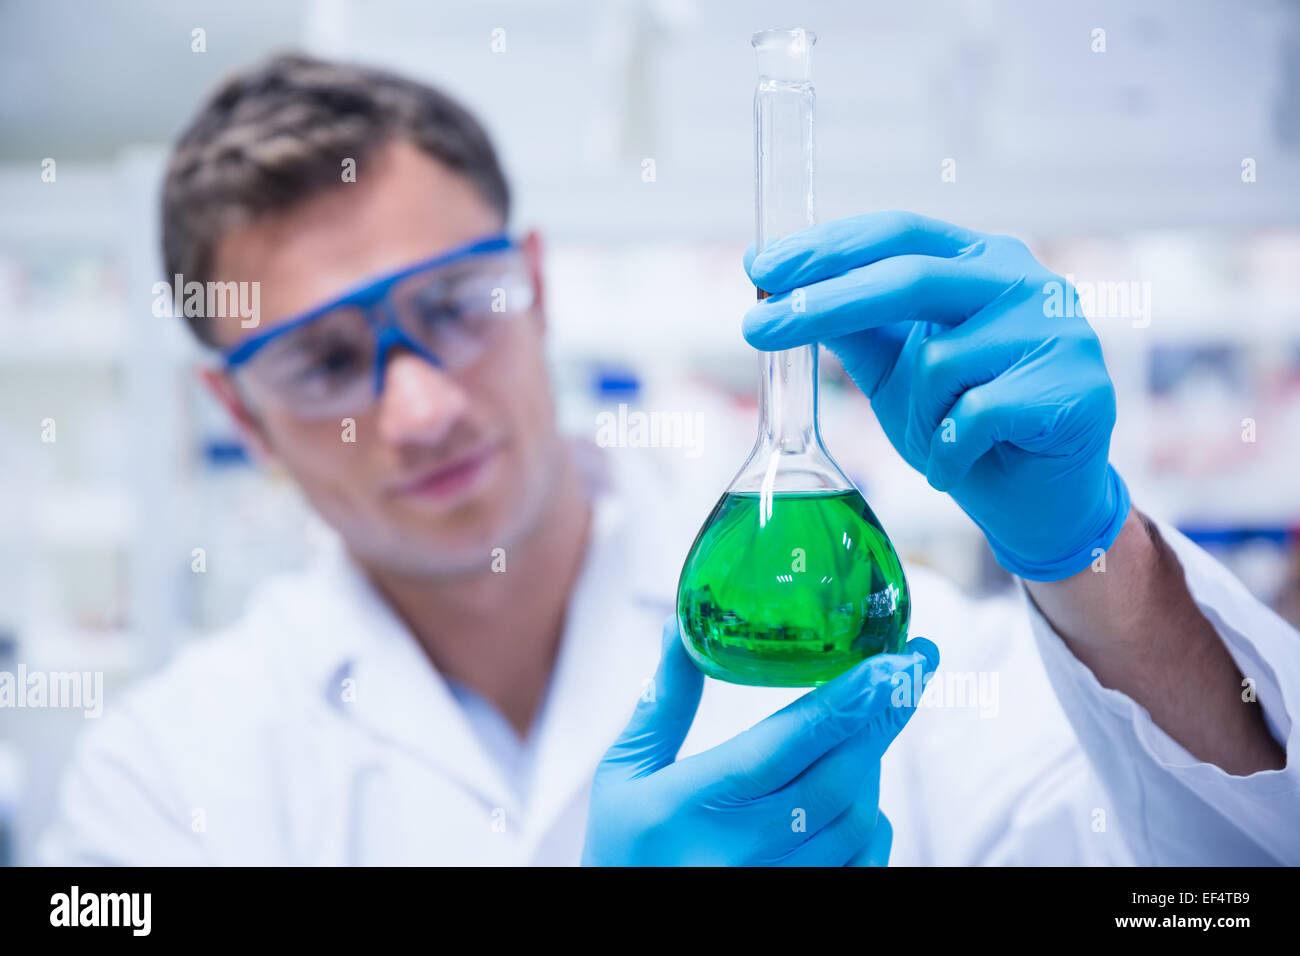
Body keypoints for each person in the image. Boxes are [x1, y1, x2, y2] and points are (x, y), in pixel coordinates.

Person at [41, 53, 1296, 866]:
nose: (417, 407)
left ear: (530, 285)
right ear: (238, 412)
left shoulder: (887, 655)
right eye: (321, 360)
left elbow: (1227, 871)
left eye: (454, 304)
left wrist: (1097, 563)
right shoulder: (164, 784)